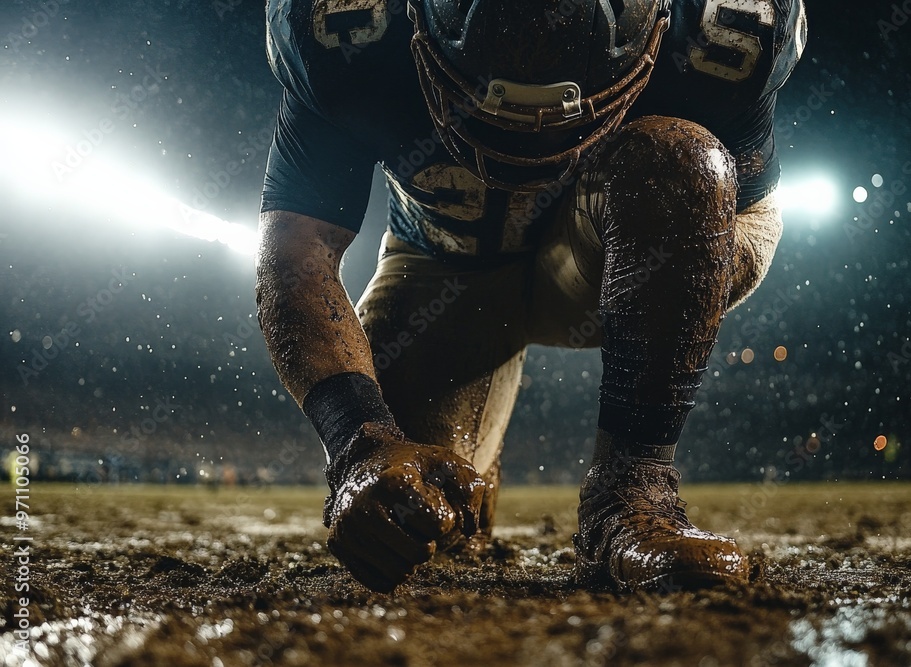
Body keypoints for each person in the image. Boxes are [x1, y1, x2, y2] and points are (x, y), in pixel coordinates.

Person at [256, 0, 807, 593]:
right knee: (407, 508)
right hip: (447, 260)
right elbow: (295, 254)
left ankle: (633, 490)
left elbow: (736, 206)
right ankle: (467, 443)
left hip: (623, 240)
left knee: (685, 164)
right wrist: (358, 442)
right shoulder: (345, 30)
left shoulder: (724, 30)